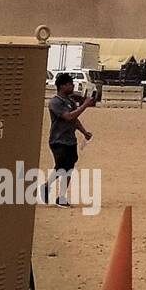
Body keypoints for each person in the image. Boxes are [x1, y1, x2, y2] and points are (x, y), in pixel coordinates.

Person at [46, 73, 93, 207]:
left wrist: (84, 132)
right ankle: (47, 186)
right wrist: (84, 105)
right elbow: (68, 117)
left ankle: (61, 197)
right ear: (62, 86)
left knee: (69, 168)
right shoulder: (55, 102)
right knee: (61, 166)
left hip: (70, 140)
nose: (72, 86)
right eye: (70, 84)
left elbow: (75, 120)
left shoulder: (70, 101)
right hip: (58, 140)